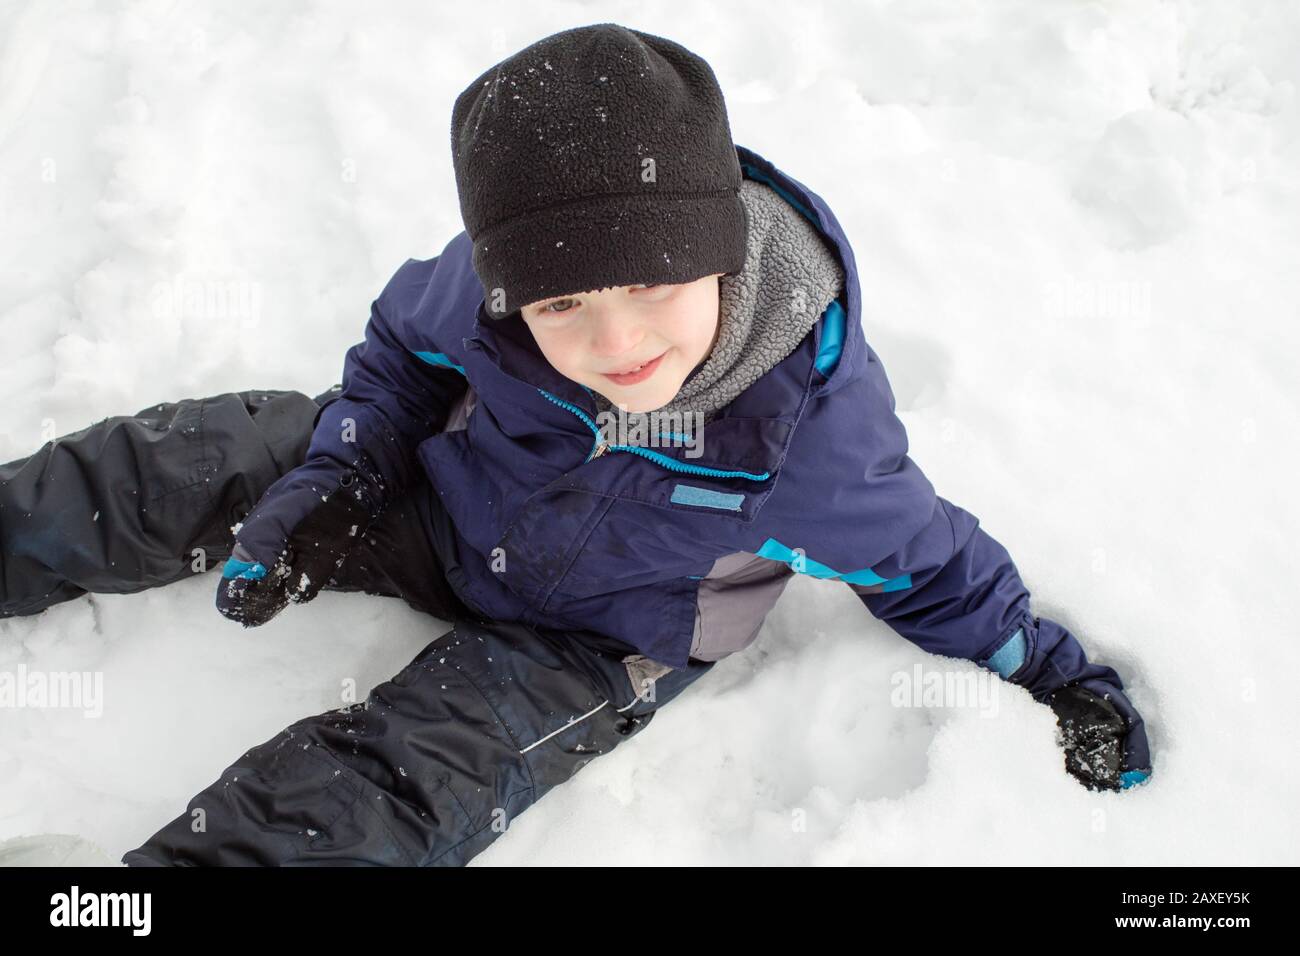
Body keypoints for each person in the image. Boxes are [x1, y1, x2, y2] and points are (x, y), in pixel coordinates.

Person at [0, 23, 1151, 867]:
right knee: (202, 452)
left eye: (653, 283)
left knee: (402, 778)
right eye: (561, 309)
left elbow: (931, 564)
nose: (614, 340)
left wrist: (1052, 674)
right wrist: (343, 472)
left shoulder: (810, 444)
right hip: (447, 502)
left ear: (720, 255)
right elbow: (401, 351)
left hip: (597, 637)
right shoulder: (498, 285)